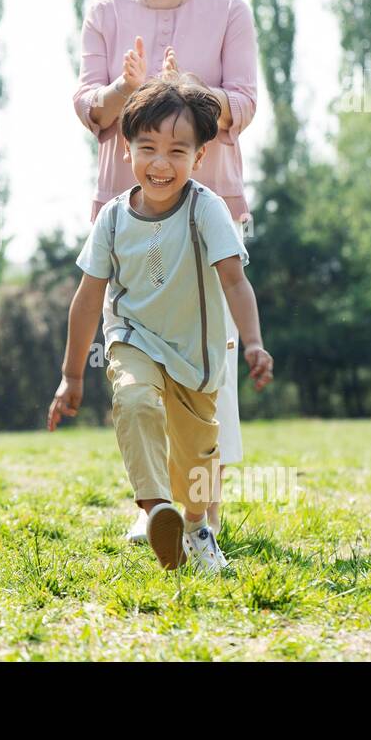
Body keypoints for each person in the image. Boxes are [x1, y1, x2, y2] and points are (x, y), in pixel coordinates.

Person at [72, 0, 258, 547]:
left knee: (210, 367)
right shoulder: (106, 13)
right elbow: (89, 105)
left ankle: (203, 513)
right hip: (126, 211)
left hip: (208, 206)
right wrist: (128, 90)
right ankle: (158, 506)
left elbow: (244, 101)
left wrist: (188, 96)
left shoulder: (229, 8)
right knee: (134, 360)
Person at [48, 76, 273, 573]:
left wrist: (253, 343)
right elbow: (87, 300)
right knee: (132, 400)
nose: (160, 162)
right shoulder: (111, 219)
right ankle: (156, 512)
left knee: (199, 462)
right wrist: (71, 375)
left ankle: (194, 528)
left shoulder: (206, 210)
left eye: (177, 151)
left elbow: (235, 282)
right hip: (133, 337)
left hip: (197, 354)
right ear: (126, 150)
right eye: (147, 147)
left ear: (198, 157)